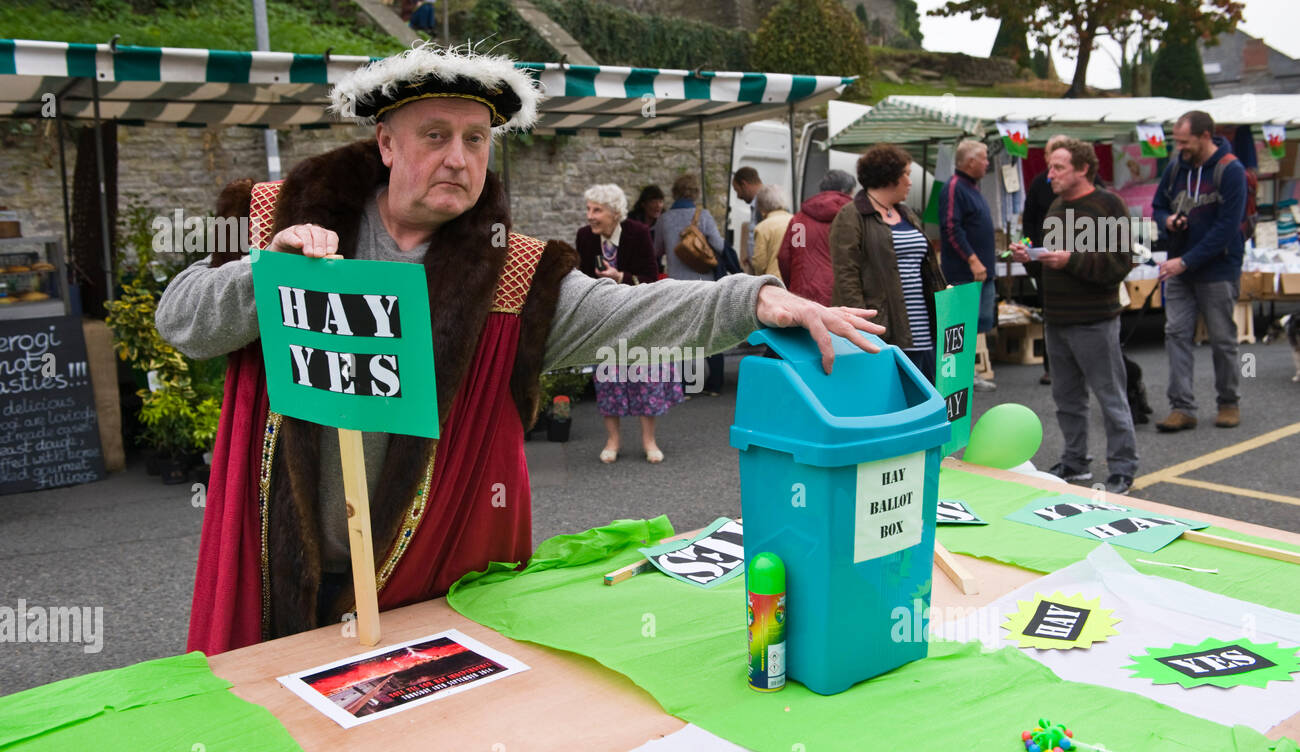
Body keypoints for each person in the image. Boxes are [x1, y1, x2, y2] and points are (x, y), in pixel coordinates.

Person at [155, 43, 885, 654]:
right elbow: (180, 320)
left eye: (475, 139)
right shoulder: (274, 220)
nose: (458, 157)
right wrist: (266, 272)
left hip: (423, 591)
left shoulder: (513, 277)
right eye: (434, 135)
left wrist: (753, 297)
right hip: (279, 575)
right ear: (385, 143)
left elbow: (630, 313)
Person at [1010, 138, 1138, 494]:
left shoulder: (1107, 204)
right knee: (1066, 398)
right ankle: (1075, 459)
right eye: (1050, 167)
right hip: (1058, 317)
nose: (1050, 174)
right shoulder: (1056, 206)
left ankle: (1123, 468)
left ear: (1083, 169)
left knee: (1109, 395)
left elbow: (1119, 263)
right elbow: (1056, 256)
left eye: (1058, 167)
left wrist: (1070, 260)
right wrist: (1032, 255)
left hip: (1094, 318)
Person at [1152, 110, 1248, 432]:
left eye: (1185, 141)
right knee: (1176, 334)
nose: (1179, 147)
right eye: (1176, 141)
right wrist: (1166, 220)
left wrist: (1186, 260)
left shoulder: (1230, 170)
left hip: (1218, 268)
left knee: (1222, 339)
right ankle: (1182, 407)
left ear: (1206, 135)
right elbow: (1157, 205)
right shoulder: (1176, 166)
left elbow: (1226, 228)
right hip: (1180, 267)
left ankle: (1228, 402)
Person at [575, 184, 679, 463]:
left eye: (597, 210)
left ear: (614, 213)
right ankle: (613, 440)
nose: (590, 216)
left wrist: (619, 276)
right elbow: (582, 279)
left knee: (646, 377)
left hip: (639, 316)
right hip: (605, 319)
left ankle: (649, 441)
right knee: (608, 379)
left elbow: (650, 276)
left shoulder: (638, 233)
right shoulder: (584, 237)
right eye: (588, 209)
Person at [829, 144, 945, 384]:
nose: (910, 182)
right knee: (895, 398)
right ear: (889, 176)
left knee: (926, 396)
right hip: (885, 328)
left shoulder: (906, 213)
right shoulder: (851, 215)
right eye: (907, 174)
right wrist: (864, 330)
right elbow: (846, 277)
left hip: (923, 328)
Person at [654, 172, 729, 395]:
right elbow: (718, 245)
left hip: (677, 285)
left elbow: (656, 251)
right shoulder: (702, 215)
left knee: (684, 334)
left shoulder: (664, 219)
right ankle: (714, 385)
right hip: (703, 283)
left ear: (675, 193)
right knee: (711, 332)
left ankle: (686, 387)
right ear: (694, 194)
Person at [938, 138, 997, 390]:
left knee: (973, 324)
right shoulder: (954, 187)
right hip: (965, 272)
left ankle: (967, 374)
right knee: (960, 324)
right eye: (984, 158)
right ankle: (958, 378)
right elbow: (951, 227)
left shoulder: (971, 186)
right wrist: (973, 260)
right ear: (971, 161)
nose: (987, 163)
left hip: (980, 272)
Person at [1021, 134, 1068, 386]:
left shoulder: (1088, 186)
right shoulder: (1039, 183)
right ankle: (1052, 367)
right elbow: (1028, 223)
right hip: (1045, 263)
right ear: (1046, 156)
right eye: (1053, 152)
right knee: (1049, 316)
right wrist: (1030, 255)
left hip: (1077, 263)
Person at [777, 169, 854, 306]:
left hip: (802, 295)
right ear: (846, 191)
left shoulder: (799, 220)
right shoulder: (853, 218)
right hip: (840, 295)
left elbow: (784, 256)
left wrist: (794, 283)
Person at [750, 184, 794, 282]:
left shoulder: (762, 227)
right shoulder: (798, 223)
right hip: (794, 282)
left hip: (773, 283)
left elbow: (760, 263)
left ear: (762, 207)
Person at [732, 166, 762, 269]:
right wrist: (750, 257)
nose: (738, 196)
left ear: (744, 185)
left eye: (737, 190)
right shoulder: (758, 204)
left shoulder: (764, 204)